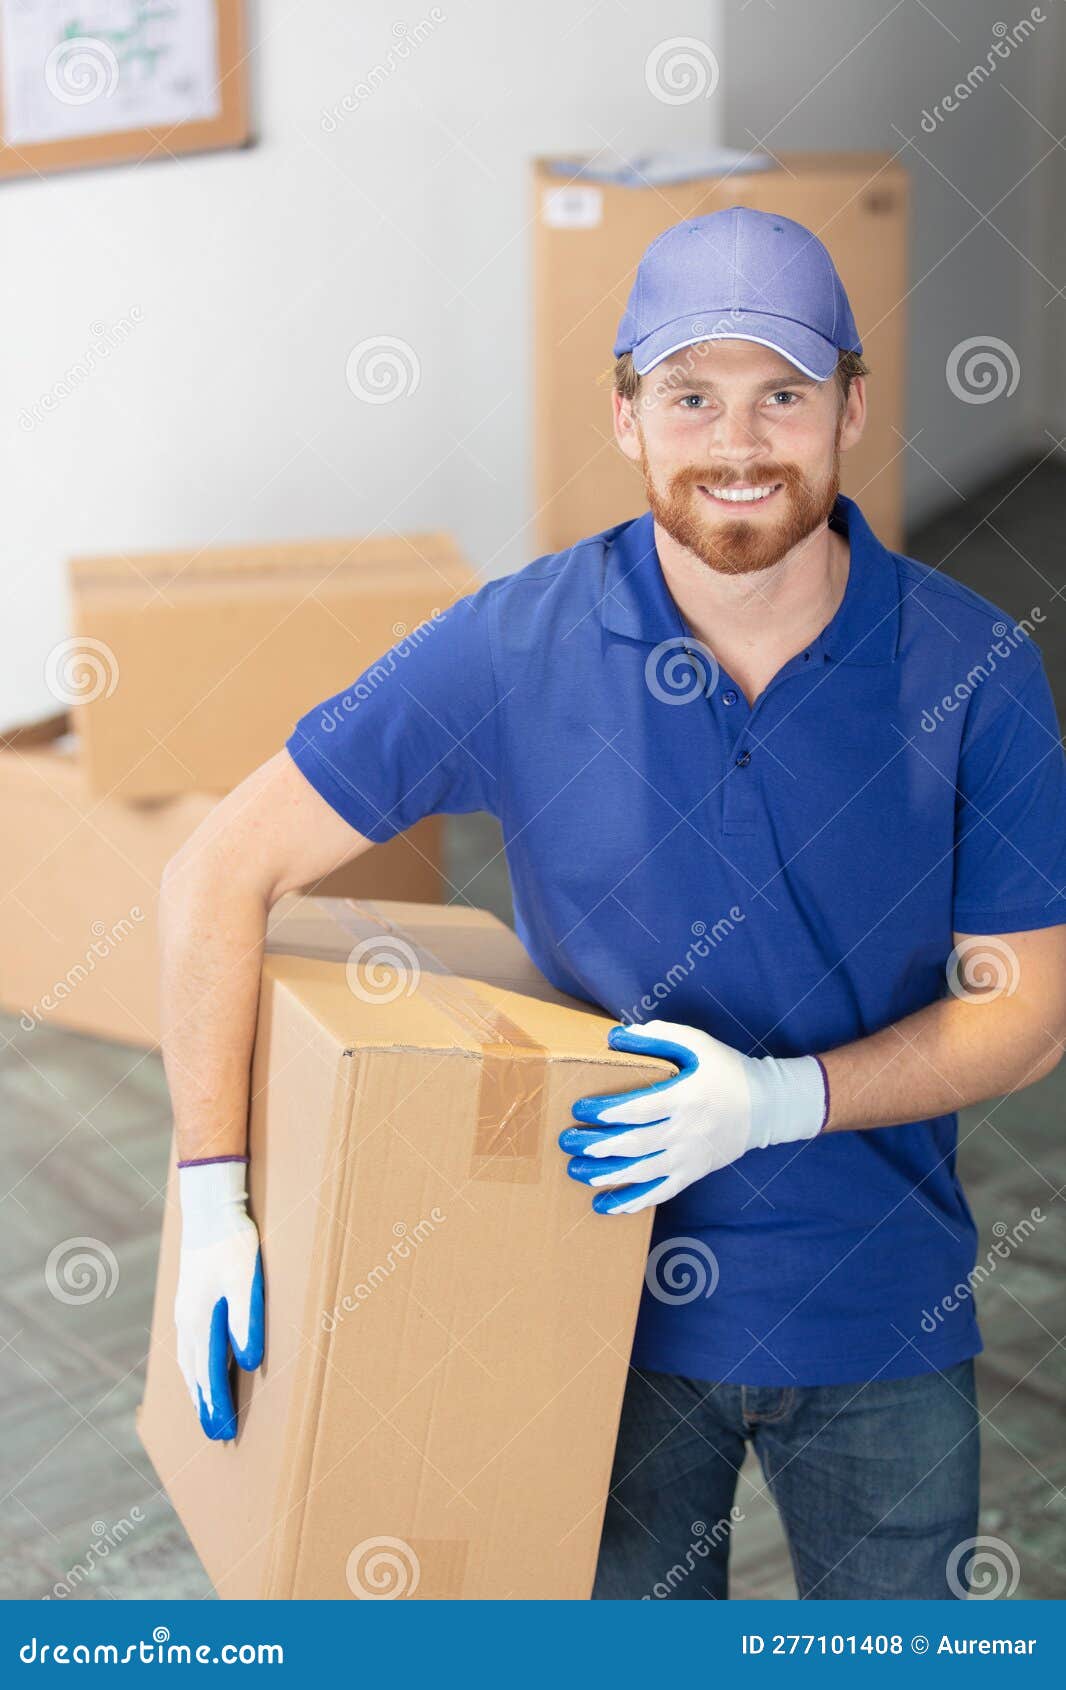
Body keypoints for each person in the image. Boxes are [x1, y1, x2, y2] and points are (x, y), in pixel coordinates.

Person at [159, 206, 1066, 1600]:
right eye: (690, 395)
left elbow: (1025, 1014)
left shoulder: (973, 667)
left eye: (783, 393)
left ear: (850, 408)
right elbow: (217, 870)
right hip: (585, 1313)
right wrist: (215, 1200)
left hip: (878, 1306)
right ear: (628, 417)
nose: (740, 442)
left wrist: (781, 1099)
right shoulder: (512, 645)